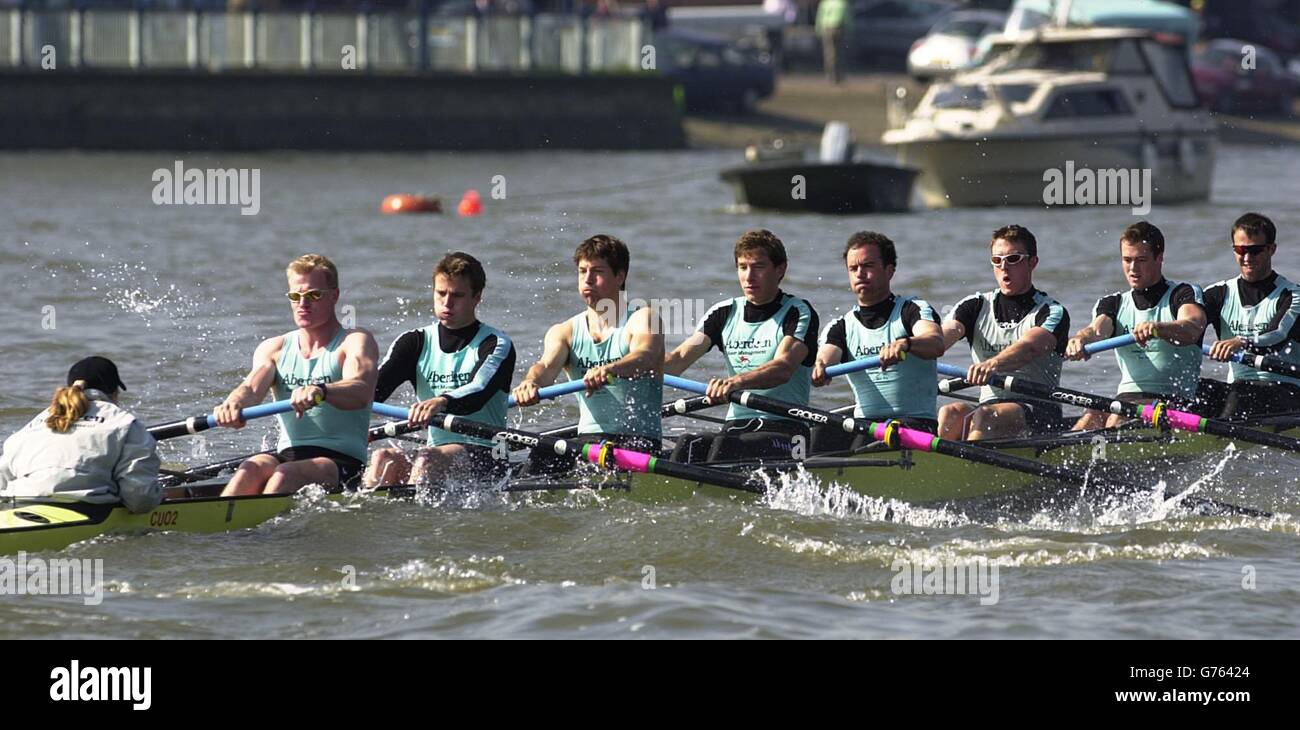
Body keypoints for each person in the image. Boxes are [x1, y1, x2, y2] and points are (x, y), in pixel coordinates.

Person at [215, 254, 379, 496]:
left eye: (313, 295)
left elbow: (361, 390)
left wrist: (322, 391)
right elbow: (250, 389)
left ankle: (263, 534)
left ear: (334, 295)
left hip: (342, 462)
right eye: (295, 296)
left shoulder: (354, 341)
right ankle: (220, 530)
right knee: (250, 468)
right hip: (289, 455)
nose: (303, 303)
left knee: (285, 474)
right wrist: (233, 404)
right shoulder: (274, 348)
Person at [511, 235, 664, 473]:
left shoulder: (644, 318)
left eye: (597, 272)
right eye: (582, 272)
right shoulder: (565, 331)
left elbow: (644, 357)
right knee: (542, 454)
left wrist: (610, 369)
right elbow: (545, 368)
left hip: (637, 442)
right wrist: (530, 383)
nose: (588, 279)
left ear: (620, 276)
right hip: (589, 441)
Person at [664, 229, 819, 462]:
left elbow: (783, 368)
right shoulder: (723, 313)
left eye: (758, 267)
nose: (749, 276)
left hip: (785, 427)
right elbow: (677, 360)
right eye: (742, 267)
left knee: (724, 447)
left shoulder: (798, 312)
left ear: (780, 270)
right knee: (688, 445)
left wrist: (734, 382)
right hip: (737, 425)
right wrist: (622, 367)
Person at [366, 253, 516, 487]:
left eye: (457, 295)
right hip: (438, 453)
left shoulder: (496, 343)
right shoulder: (413, 342)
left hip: (489, 453)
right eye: (441, 293)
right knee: (382, 458)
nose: (447, 302)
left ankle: (417, 519)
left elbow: (477, 392)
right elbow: (372, 392)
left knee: (426, 459)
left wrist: (441, 401)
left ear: (477, 298)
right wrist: (333, 392)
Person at [812, 231, 944, 452]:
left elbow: (935, 342)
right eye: (853, 269)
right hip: (867, 425)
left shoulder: (912, 310)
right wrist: (820, 368)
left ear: (890, 270)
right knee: (819, 433)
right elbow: (826, 357)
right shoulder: (840, 327)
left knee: (880, 438)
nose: (860, 274)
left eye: (868, 266)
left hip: (914, 425)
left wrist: (906, 344)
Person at [1066, 222, 1206, 429]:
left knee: (1116, 418)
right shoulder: (1113, 303)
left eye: (1141, 260)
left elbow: (1192, 327)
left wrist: (1159, 328)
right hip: (1128, 398)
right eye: (1127, 260)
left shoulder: (1183, 294)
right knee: (1092, 416)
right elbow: (1096, 330)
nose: (1133, 268)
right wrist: (1080, 339)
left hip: (1175, 401)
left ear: (1159, 259)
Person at [939, 225, 1071, 441]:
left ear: (1032, 263)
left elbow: (1029, 348)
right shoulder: (973, 306)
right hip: (990, 406)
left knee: (985, 415)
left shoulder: (1051, 312)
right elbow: (942, 338)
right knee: (950, 413)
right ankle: (940, 469)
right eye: (997, 260)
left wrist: (993, 364)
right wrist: (911, 347)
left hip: (1040, 411)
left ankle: (970, 471)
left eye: (1013, 259)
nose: (1004, 267)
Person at [0, 357, 161, 513]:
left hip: (18, 503)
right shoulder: (124, 422)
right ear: (114, 392)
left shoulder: (36, 422)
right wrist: (160, 496)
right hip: (85, 509)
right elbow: (140, 499)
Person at [1201, 212, 1300, 418]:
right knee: (1195, 388)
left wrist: (1242, 342)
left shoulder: (1293, 295)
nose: (1246, 258)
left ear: (1271, 249)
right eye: (1240, 250)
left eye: (1254, 251)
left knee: (1242, 393)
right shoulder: (1217, 294)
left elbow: (1278, 336)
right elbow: (1190, 325)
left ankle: (1222, 439)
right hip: (1239, 387)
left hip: (1287, 390)